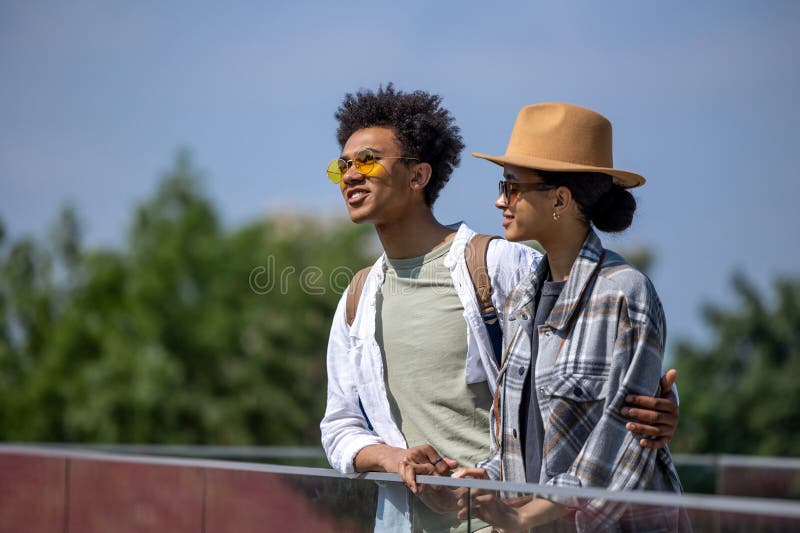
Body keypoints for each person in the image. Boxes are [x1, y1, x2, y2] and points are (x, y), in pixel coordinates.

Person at [319, 86, 680, 532]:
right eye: (343, 165)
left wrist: (654, 411)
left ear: (418, 177)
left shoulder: (512, 269)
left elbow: (612, 426)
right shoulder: (363, 296)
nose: (351, 174)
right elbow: (514, 430)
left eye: (368, 160)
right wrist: (448, 473)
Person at [449, 102, 690, 531]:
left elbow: (621, 447)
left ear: (560, 198)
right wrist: (484, 479)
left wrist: (522, 516)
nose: (499, 199)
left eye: (512, 186)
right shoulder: (522, 298)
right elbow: (523, 440)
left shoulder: (625, 293)